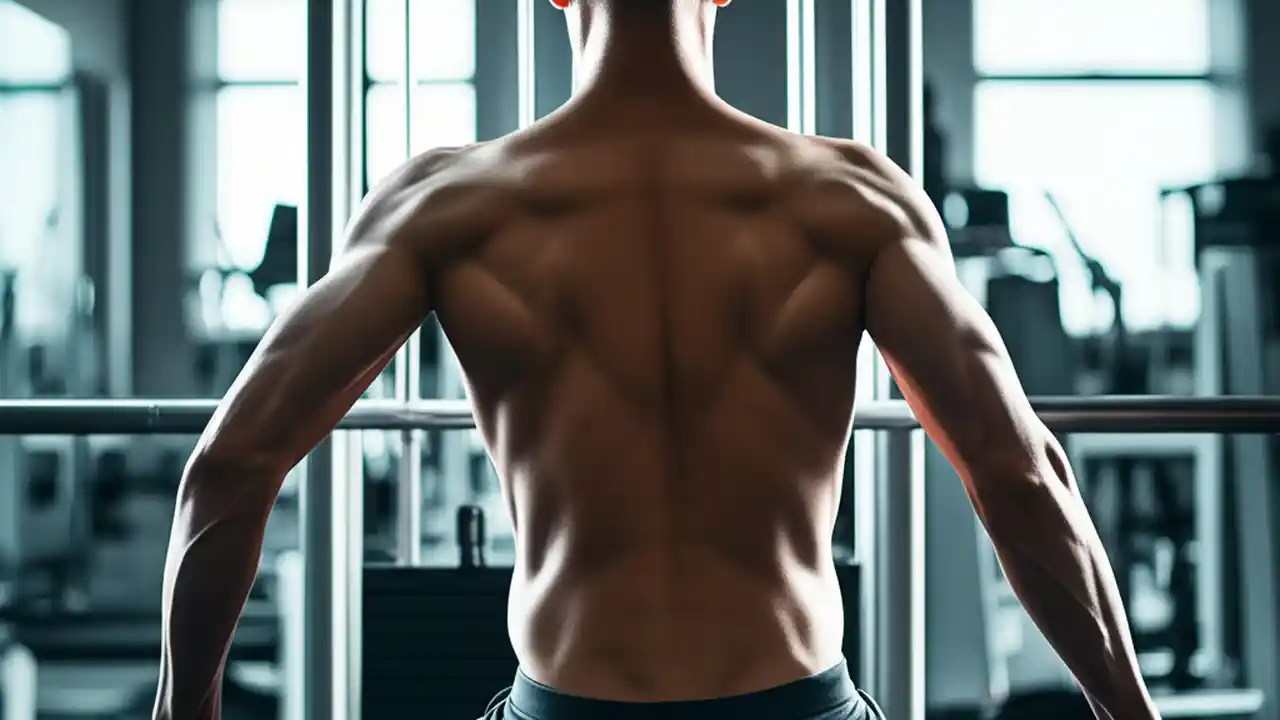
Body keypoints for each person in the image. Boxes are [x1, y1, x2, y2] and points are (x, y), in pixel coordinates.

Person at [151, 1, 1163, 718]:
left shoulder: (448, 208)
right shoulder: (851, 201)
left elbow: (228, 468)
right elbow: (1019, 476)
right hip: (794, 701)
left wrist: (181, 709)